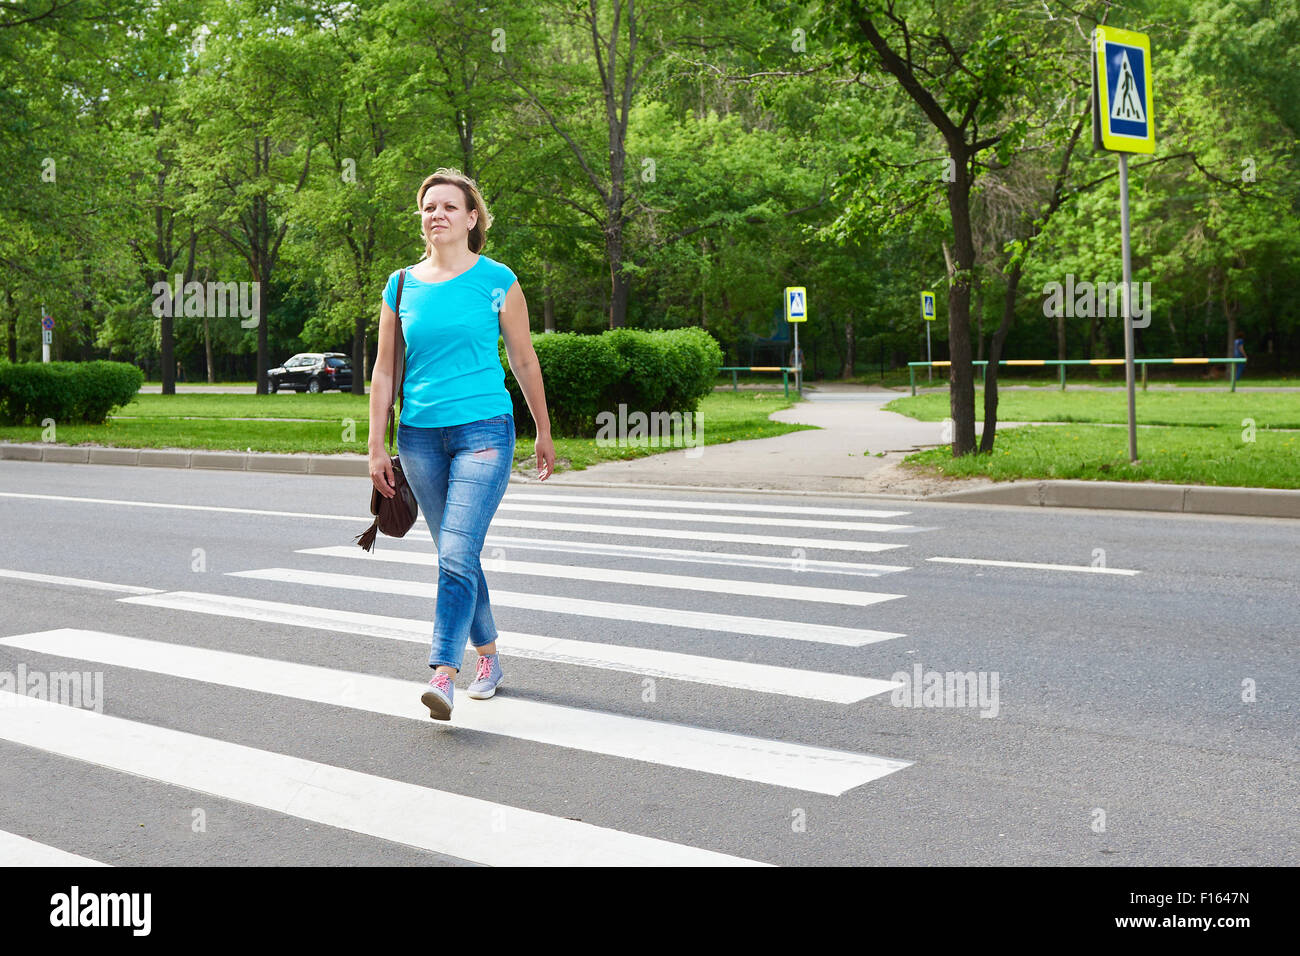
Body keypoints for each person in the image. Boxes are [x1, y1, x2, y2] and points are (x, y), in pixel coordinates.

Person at [368, 168, 555, 721]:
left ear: (472, 218)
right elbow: (383, 370)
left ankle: (443, 673)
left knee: (454, 552)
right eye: (429, 207)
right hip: (420, 437)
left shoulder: (497, 279)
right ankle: (490, 658)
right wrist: (376, 445)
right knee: (458, 553)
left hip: (485, 432)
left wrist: (544, 430)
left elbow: (523, 359)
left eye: (449, 206)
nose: (437, 215)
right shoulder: (400, 284)